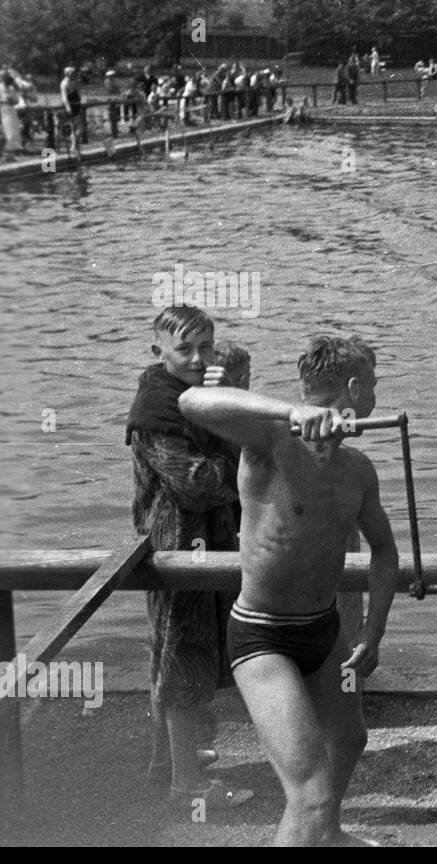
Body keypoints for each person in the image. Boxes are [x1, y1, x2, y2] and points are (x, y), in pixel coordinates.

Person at [179, 335, 401, 846]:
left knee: (349, 740)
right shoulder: (272, 444)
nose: (375, 392)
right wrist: (290, 411)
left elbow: (385, 552)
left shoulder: (358, 471)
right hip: (263, 639)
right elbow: (192, 402)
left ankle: (328, 838)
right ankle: (315, 828)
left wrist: (373, 628)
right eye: (371, 382)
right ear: (353, 387)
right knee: (311, 794)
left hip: (323, 634)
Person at [127, 306, 251, 811]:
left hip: (204, 545)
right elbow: (195, 484)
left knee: (182, 654)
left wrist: (226, 403)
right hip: (177, 547)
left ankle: (168, 765)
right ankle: (188, 788)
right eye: (185, 350)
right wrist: (244, 458)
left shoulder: (194, 396)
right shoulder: (156, 408)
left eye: (206, 347)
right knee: (183, 657)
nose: (198, 359)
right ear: (159, 352)